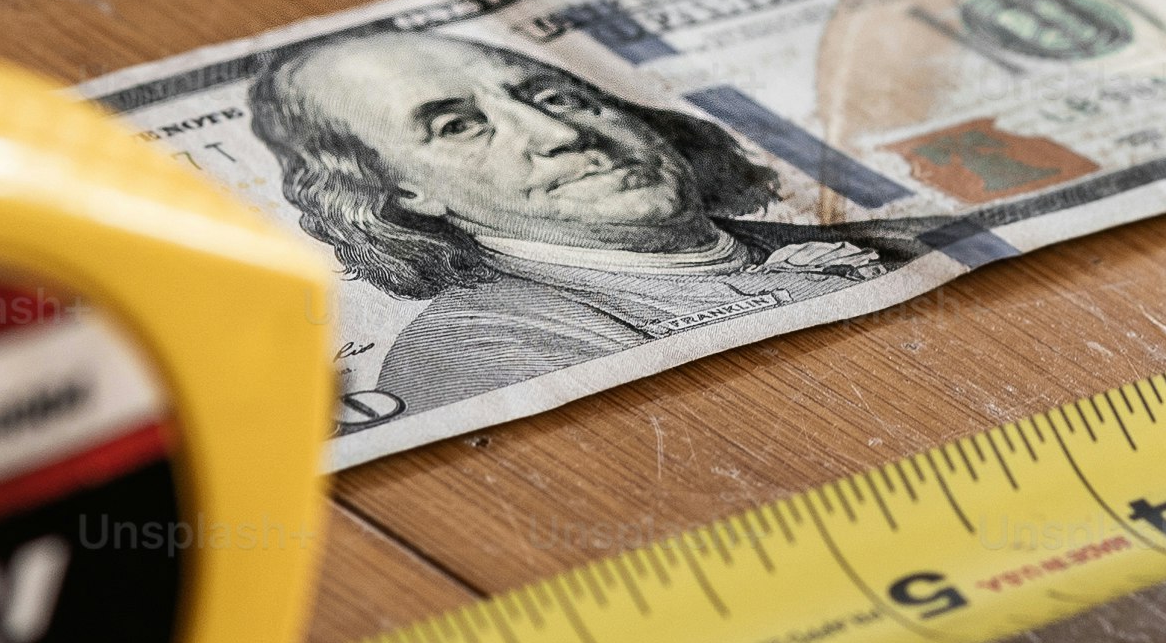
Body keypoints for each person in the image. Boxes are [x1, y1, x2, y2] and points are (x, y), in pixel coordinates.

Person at [245, 30, 933, 420]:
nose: (555, 133)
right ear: (401, 189)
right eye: (458, 126)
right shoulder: (484, 351)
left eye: (553, 95)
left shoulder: (873, 244)